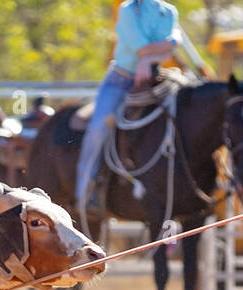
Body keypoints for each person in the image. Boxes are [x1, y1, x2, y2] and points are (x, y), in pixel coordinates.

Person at [74, 0, 181, 226]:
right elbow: (148, 47)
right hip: (120, 81)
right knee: (98, 127)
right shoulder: (127, 10)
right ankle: (85, 191)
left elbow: (160, 51)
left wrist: (150, 58)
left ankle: (176, 185)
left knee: (181, 118)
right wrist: (169, 42)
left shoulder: (168, 11)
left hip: (155, 79)